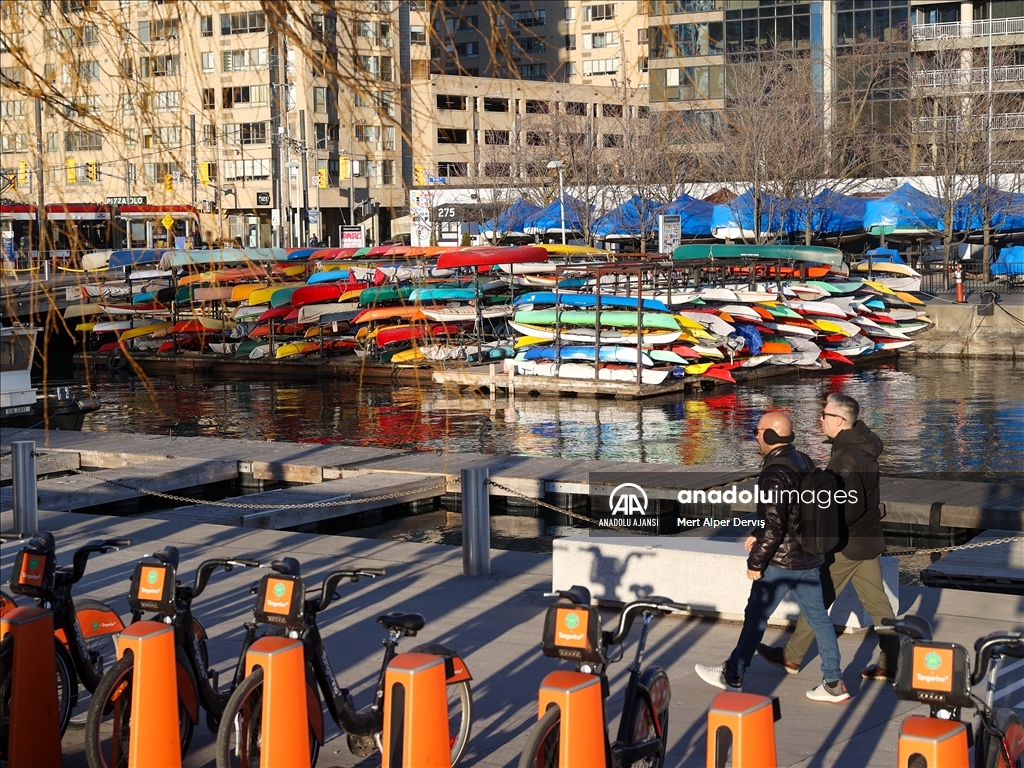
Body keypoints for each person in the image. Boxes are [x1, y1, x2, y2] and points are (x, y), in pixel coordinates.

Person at [694, 411, 850, 703]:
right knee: (819, 619)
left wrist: (756, 562)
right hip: (810, 557)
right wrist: (758, 529)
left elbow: (776, 526)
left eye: (758, 430)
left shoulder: (774, 473)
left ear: (769, 436)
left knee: (755, 618)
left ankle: (734, 674)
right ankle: (833, 682)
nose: (755, 435)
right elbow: (786, 513)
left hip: (782, 562)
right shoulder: (801, 458)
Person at [757, 393, 898, 681]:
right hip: (868, 539)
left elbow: (848, 506)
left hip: (847, 544)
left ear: (839, 421)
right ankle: (893, 661)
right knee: (878, 604)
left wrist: (817, 532)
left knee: (816, 600)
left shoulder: (846, 457)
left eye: (825, 415)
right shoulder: (862, 447)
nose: (820, 419)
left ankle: (792, 657)